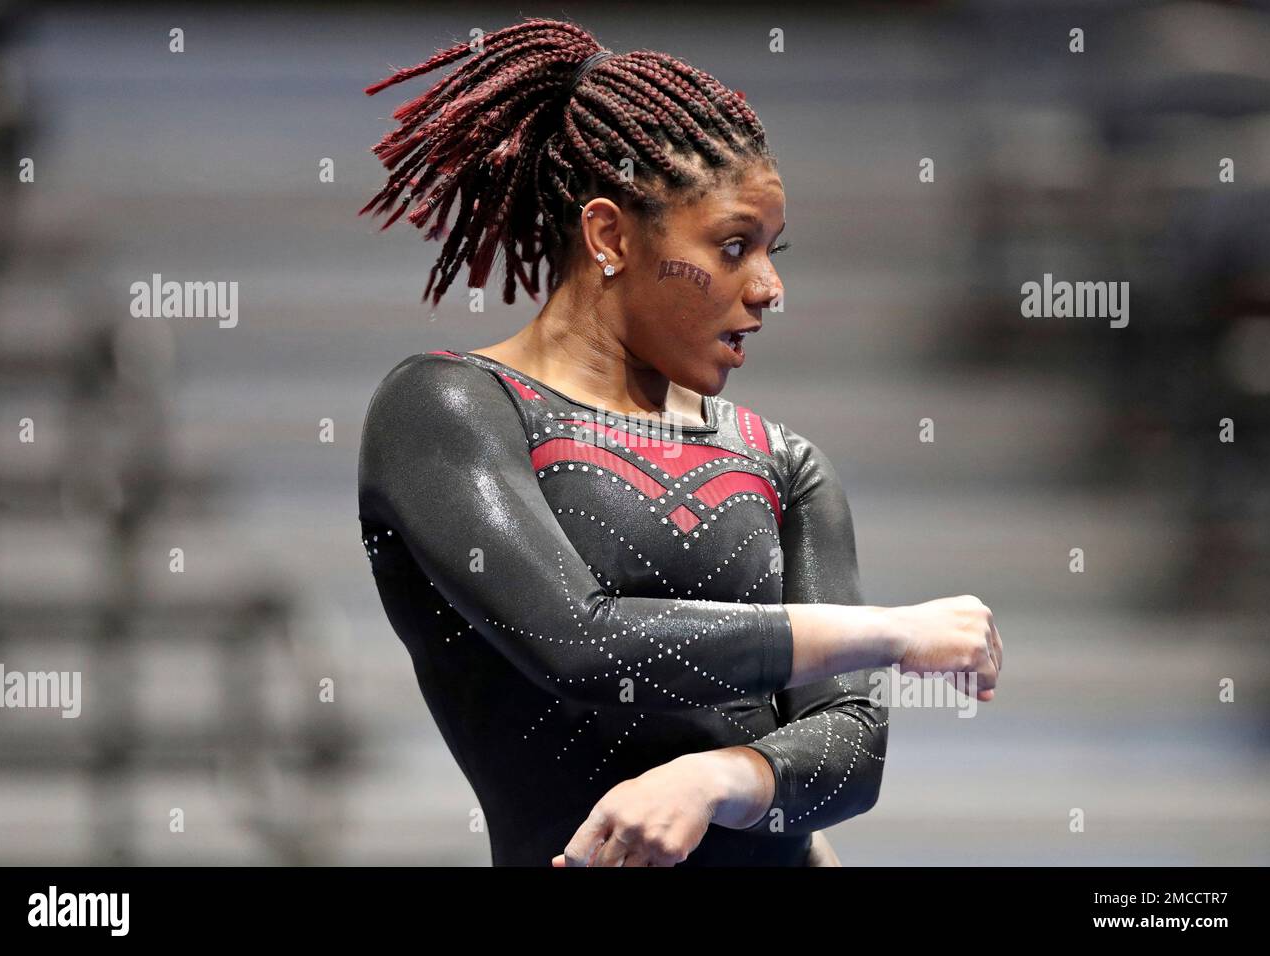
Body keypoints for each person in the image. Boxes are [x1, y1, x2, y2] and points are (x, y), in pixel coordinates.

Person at [357, 18, 1002, 867]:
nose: (769, 287)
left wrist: (716, 780)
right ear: (610, 237)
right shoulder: (448, 408)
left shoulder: (783, 464)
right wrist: (883, 631)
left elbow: (851, 750)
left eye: (771, 251)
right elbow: (582, 644)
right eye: (733, 246)